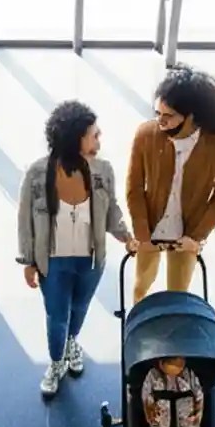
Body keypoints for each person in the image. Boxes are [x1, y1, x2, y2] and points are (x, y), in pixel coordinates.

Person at [17, 100, 136, 398]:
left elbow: (112, 211)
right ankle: (56, 362)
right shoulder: (37, 173)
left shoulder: (103, 171)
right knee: (56, 315)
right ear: (75, 139)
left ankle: (73, 342)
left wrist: (126, 236)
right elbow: (24, 219)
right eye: (93, 134)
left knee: (79, 308)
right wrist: (28, 261)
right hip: (53, 263)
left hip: (90, 261)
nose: (99, 137)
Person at [126, 64, 215, 303]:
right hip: (150, 228)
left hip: (187, 234)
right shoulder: (145, 135)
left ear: (190, 117)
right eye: (157, 113)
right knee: (140, 289)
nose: (160, 121)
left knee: (178, 295)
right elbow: (134, 189)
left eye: (168, 116)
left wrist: (196, 238)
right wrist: (142, 235)